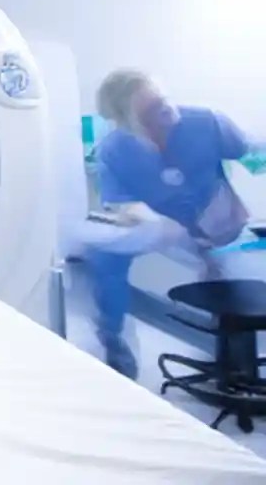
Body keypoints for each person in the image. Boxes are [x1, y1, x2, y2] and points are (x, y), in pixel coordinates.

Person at [83, 68, 251, 378]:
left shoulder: (207, 122)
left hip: (217, 223)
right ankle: (113, 341)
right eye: (149, 110)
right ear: (127, 123)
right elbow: (124, 203)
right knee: (105, 254)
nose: (164, 110)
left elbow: (250, 151)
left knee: (232, 283)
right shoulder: (114, 151)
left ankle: (238, 367)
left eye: (162, 100)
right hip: (166, 226)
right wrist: (155, 222)